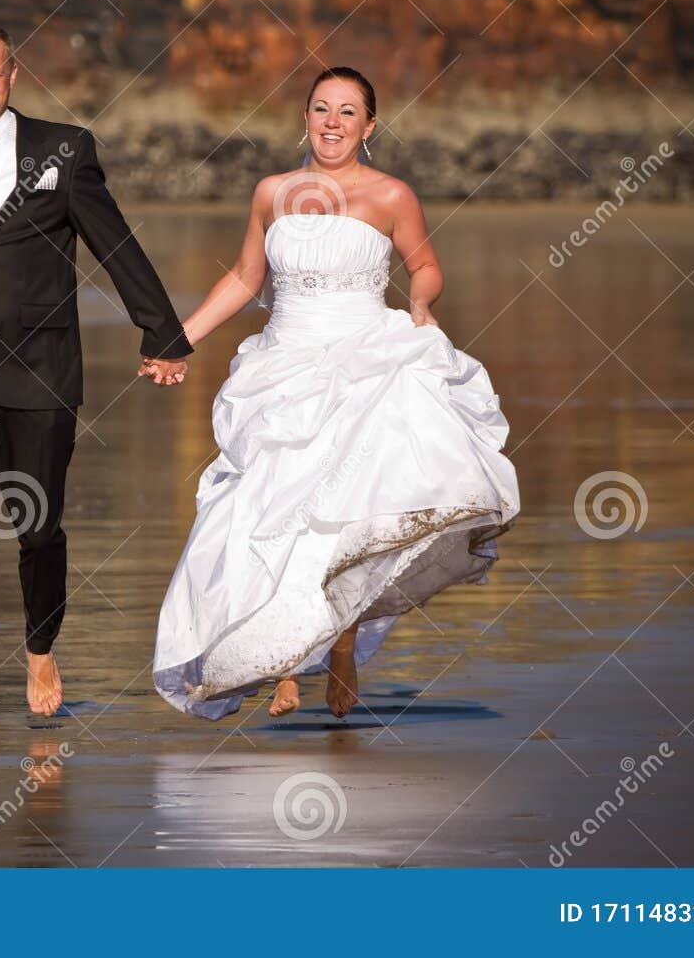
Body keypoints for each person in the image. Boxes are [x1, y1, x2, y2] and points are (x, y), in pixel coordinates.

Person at [152, 66, 520, 720]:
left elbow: (425, 265)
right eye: (321, 108)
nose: (332, 122)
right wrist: (181, 337)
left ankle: (340, 647)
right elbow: (244, 277)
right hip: (282, 371)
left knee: (344, 520)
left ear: (369, 126)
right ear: (305, 117)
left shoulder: (390, 195)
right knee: (274, 517)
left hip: (364, 362)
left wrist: (424, 306)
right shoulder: (273, 192)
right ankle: (288, 661)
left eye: (348, 112)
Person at [0, 17, 191, 736]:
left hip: (41, 367)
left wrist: (164, 333)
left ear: (13, 75)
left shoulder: (64, 148)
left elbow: (113, 241)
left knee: (38, 527)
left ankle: (41, 646)